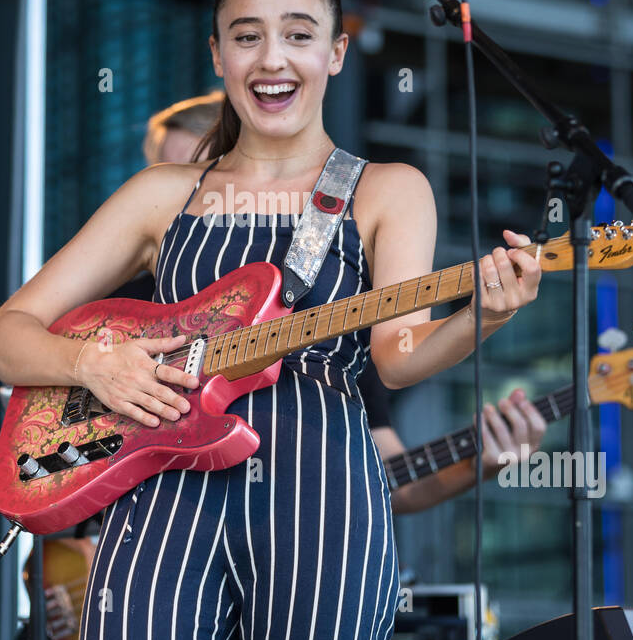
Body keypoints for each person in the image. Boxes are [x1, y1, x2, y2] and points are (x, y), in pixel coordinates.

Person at [0, 0, 542, 640]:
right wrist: (91, 365)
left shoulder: (390, 189)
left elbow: (396, 359)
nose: (273, 59)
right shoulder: (161, 195)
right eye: (249, 37)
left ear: (335, 53)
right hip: (164, 495)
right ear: (219, 56)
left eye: (299, 35)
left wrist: (484, 318)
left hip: (325, 500)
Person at [140, 94, 549, 515]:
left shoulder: (330, 308)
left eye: (200, 168)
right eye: (175, 175)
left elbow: (390, 480)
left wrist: (478, 467)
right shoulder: (128, 306)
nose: (194, 190)